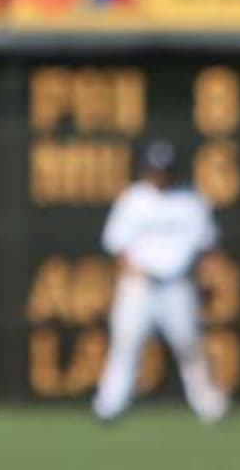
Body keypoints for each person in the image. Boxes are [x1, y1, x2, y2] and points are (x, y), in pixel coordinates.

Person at [92, 140, 230, 425]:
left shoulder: (190, 201)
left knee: (189, 346)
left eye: (164, 170)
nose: (159, 175)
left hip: (177, 285)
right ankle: (109, 405)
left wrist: (206, 280)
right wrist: (133, 271)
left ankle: (209, 407)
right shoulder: (133, 199)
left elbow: (207, 248)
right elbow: (117, 245)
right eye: (154, 169)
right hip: (139, 284)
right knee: (125, 344)